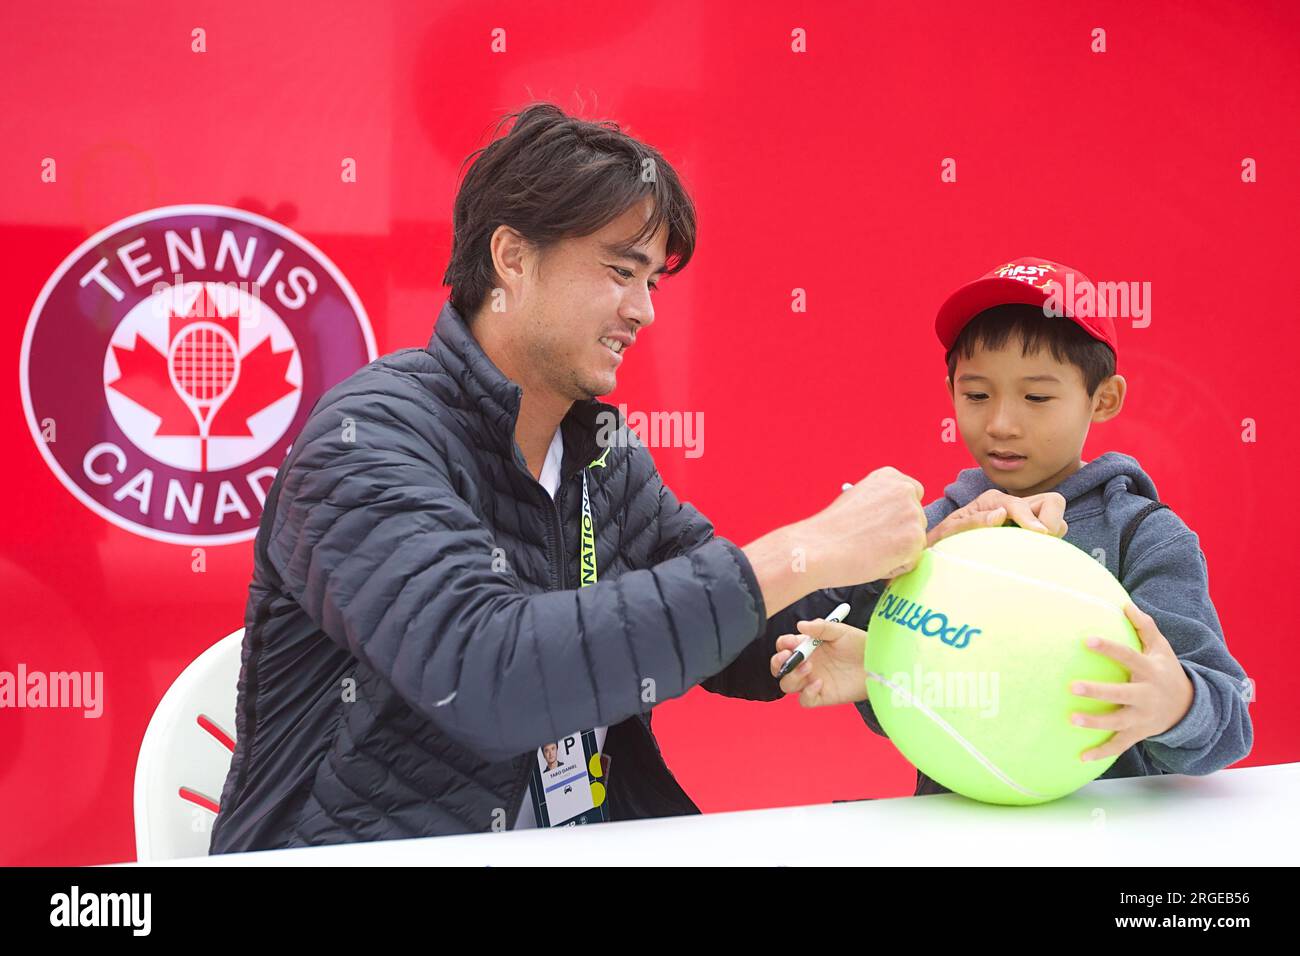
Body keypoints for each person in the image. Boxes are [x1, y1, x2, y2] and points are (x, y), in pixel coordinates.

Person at [209, 107, 1056, 852]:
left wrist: (924, 565)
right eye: (620, 271)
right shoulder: (368, 438)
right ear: (511, 257)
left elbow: (744, 631)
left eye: (652, 281)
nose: (644, 311)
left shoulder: (604, 454)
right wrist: (802, 549)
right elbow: (485, 673)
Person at [771, 257, 1254, 795]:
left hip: (1112, 835)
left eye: (1037, 397)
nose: (1000, 422)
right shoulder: (936, 532)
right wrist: (880, 680)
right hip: (961, 829)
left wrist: (1177, 705)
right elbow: (923, 717)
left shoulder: (1143, 536)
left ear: (1104, 399)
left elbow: (1230, 724)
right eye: (976, 395)